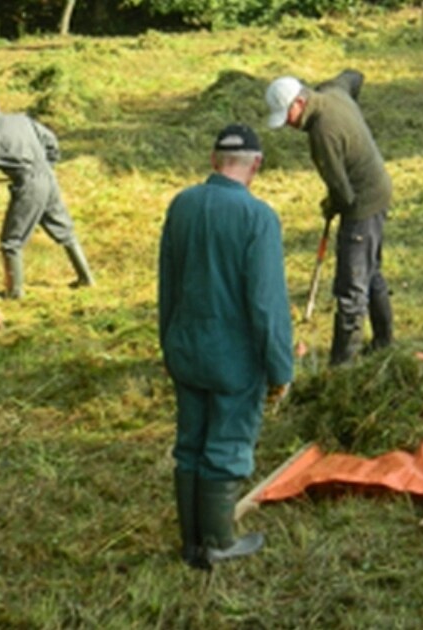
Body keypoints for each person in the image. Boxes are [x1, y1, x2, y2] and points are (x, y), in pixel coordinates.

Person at [158, 123, 294, 570]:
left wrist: (168, 345)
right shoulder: (259, 218)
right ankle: (217, 542)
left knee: (190, 444)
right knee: (226, 446)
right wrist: (281, 370)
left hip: (185, 349)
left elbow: (167, 283)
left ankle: (190, 543)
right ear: (256, 165)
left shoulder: (182, 205)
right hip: (234, 360)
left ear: (214, 161)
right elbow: (267, 305)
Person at [265, 71, 393, 366]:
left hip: (362, 204)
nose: (288, 125)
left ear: (300, 102)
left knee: (352, 288)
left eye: (287, 117)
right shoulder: (334, 91)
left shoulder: (322, 133)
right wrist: (353, 120)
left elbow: (343, 195)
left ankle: (341, 367)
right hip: (380, 189)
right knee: (371, 271)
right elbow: (355, 77)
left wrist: (330, 205)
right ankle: (384, 343)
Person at [0, 92, 95, 299]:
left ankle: (14, 293)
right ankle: (86, 278)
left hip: (30, 187)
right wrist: (46, 165)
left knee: (11, 241)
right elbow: (51, 141)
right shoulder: (22, 120)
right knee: (65, 231)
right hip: (48, 180)